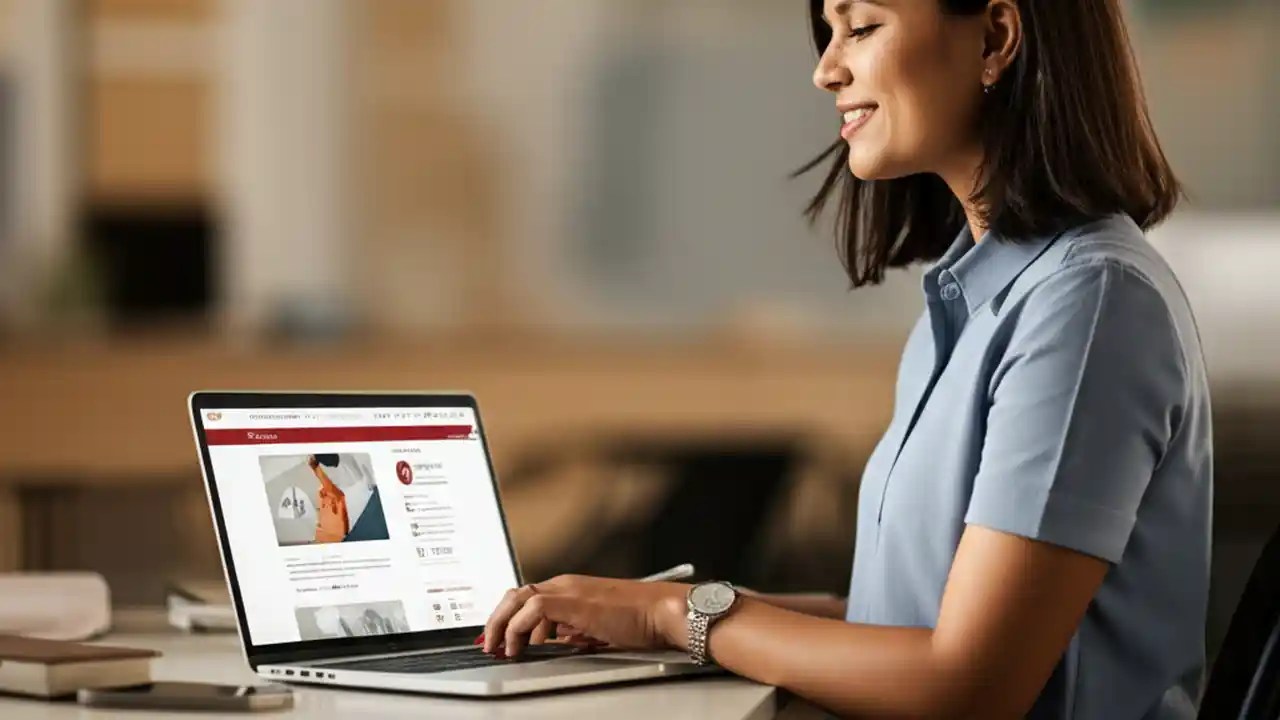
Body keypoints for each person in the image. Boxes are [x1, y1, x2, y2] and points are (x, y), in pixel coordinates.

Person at [481, 1, 1211, 717]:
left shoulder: (1088, 302)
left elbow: (970, 687)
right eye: (828, 34)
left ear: (995, 35)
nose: (826, 70)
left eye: (860, 27)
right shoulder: (973, 301)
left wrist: (680, 617)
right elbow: (901, 619)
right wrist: (642, 608)